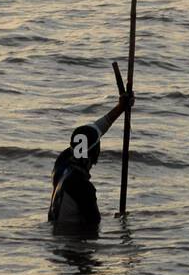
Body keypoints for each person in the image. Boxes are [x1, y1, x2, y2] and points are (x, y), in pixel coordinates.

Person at [48, 87, 135, 229]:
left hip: (57, 236)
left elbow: (97, 128)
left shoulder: (62, 165)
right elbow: (94, 227)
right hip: (72, 242)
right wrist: (122, 222)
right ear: (95, 154)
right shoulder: (83, 187)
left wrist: (120, 108)